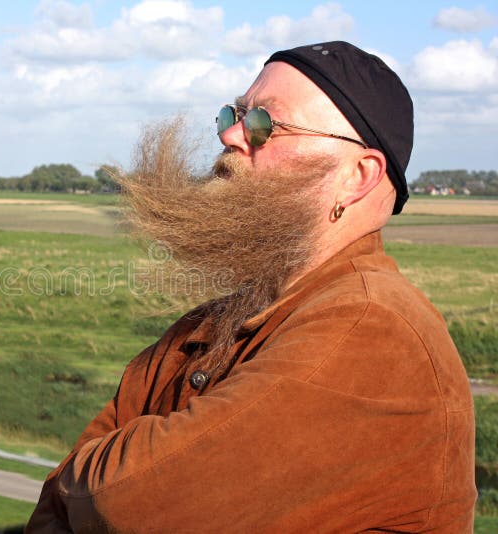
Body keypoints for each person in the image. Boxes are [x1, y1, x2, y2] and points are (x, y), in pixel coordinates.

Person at [26, 41, 476, 533]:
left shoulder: (372, 330)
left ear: (358, 177)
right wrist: (86, 488)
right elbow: (59, 501)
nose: (232, 136)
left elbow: (132, 505)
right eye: (232, 115)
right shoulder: (213, 322)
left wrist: (86, 484)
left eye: (264, 124)